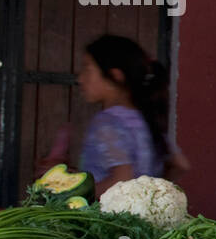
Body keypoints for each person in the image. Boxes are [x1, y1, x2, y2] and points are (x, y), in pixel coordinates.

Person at [76, 35, 187, 195]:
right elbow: (180, 164)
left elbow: (123, 180)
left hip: (105, 218)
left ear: (115, 76)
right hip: (140, 218)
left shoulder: (107, 121)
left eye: (87, 68)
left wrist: (74, 196)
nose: (80, 78)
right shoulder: (144, 119)